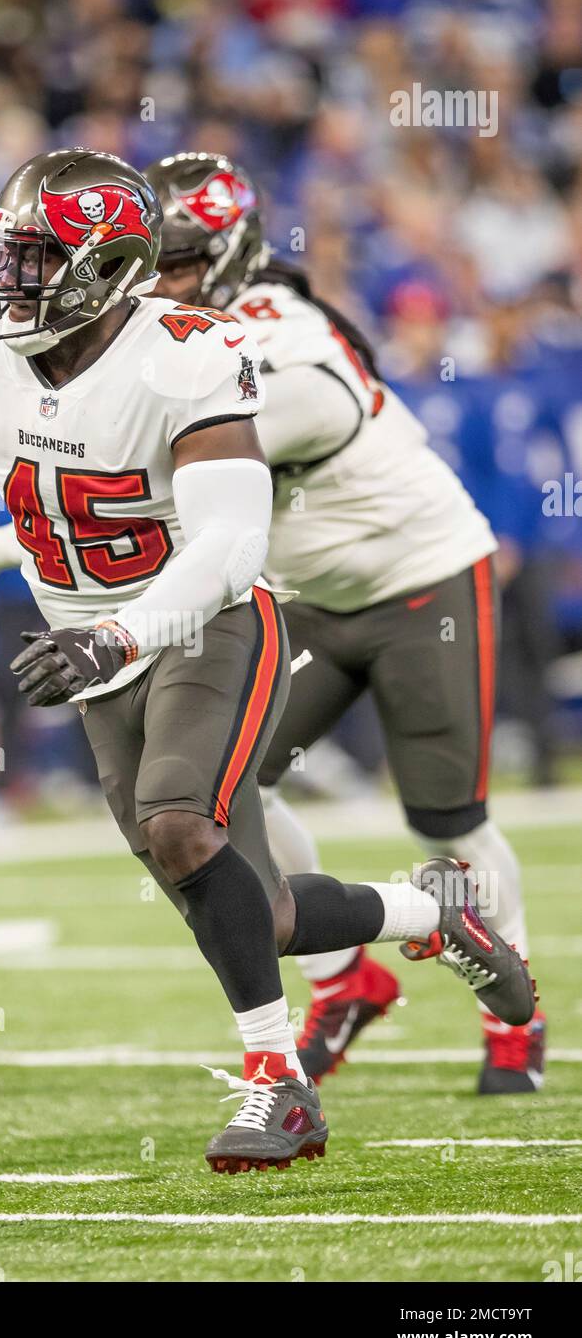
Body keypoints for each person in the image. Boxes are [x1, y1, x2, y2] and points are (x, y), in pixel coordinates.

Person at [0, 150, 536, 1171]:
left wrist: (114, 635)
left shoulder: (193, 356)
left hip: (204, 622)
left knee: (177, 823)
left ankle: (276, 1085)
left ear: (104, 271)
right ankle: (437, 913)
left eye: (34, 263)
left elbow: (225, 545)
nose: (4, 283)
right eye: (4, 255)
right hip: (89, 636)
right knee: (256, 901)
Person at [144, 151, 545, 1095]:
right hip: (307, 595)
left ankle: (510, 1019)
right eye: (143, 262)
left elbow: (268, 419)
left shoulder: (279, 324)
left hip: (420, 578)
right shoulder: (162, 336)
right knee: (232, 785)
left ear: (229, 250)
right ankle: (344, 980)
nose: (157, 281)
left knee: (448, 819)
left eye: (176, 260)